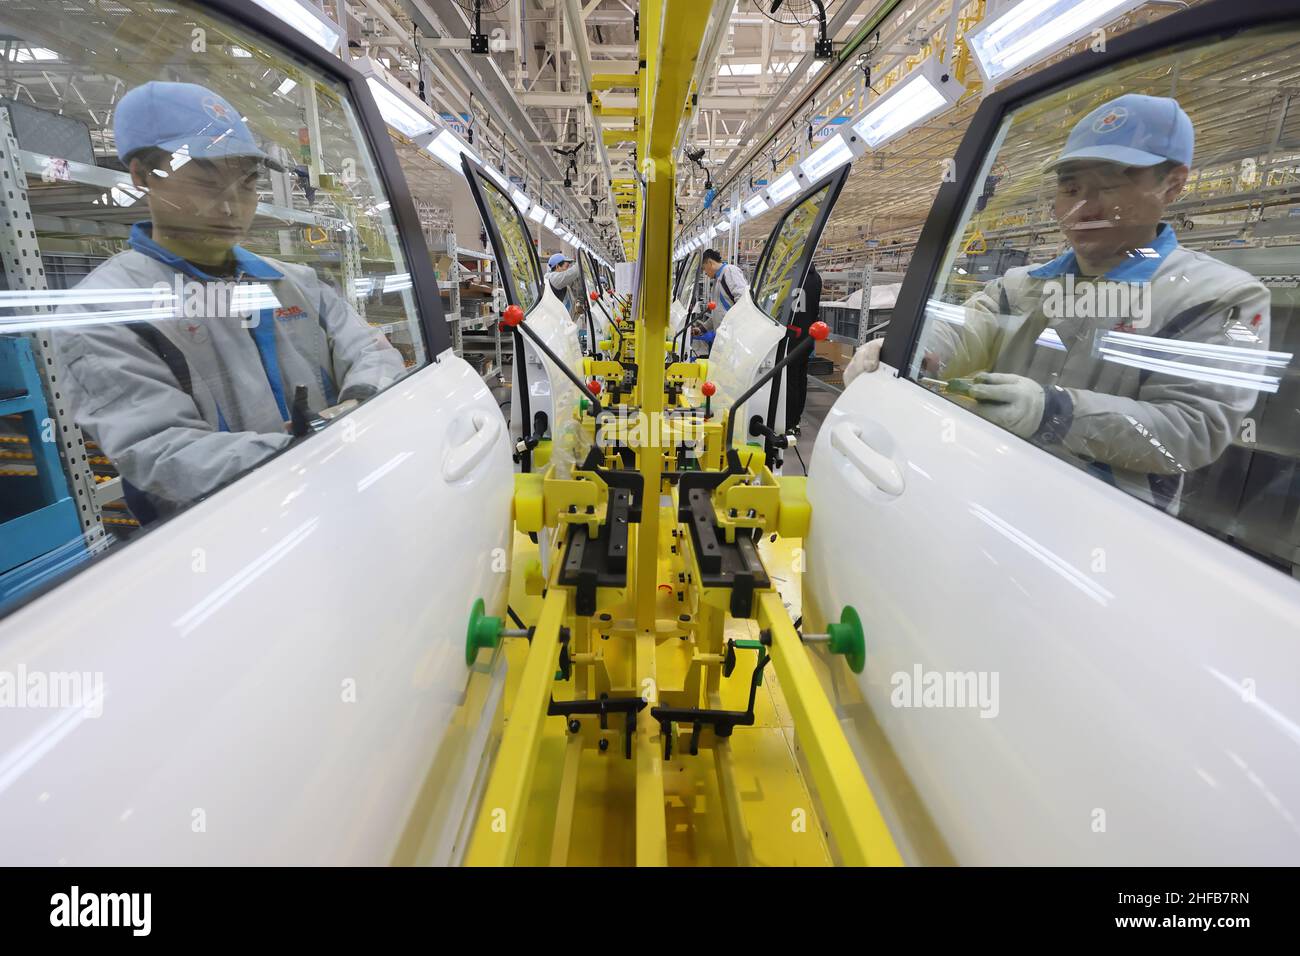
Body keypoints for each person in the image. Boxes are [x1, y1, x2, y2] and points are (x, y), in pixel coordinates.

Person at [843, 93, 1271, 513]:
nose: (1083, 207)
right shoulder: (1023, 284)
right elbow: (966, 328)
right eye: (1071, 188)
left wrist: (1056, 413)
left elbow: (1194, 429)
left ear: (1172, 184)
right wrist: (908, 348)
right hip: (987, 491)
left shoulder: (1216, 297)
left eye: (1109, 185)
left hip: (1106, 526)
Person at [54, 81, 405, 521]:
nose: (230, 207)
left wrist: (354, 407)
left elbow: (372, 352)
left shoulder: (294, 283)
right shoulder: (103, 311)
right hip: (222, 535)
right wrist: (312, 449)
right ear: (142, 176)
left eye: (246, 183)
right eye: (205, 181)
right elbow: (164, 453)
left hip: (336, 499)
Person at [784, 264, 822, 435]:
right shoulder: (816, 278)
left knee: (790, 381)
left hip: (792, 335)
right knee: (801, 379)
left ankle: (788, 422)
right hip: (808, 337)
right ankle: (796, 421)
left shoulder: (792, 275)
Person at [693, 248, 749, 348]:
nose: (705, 273)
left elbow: (743, 300)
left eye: (704, 268)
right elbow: (718, 312)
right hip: (723, 337)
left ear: (710, 263)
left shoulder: (729, 271)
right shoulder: (717, 281)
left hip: (732, 337)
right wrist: (702, 328)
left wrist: (733, 327)